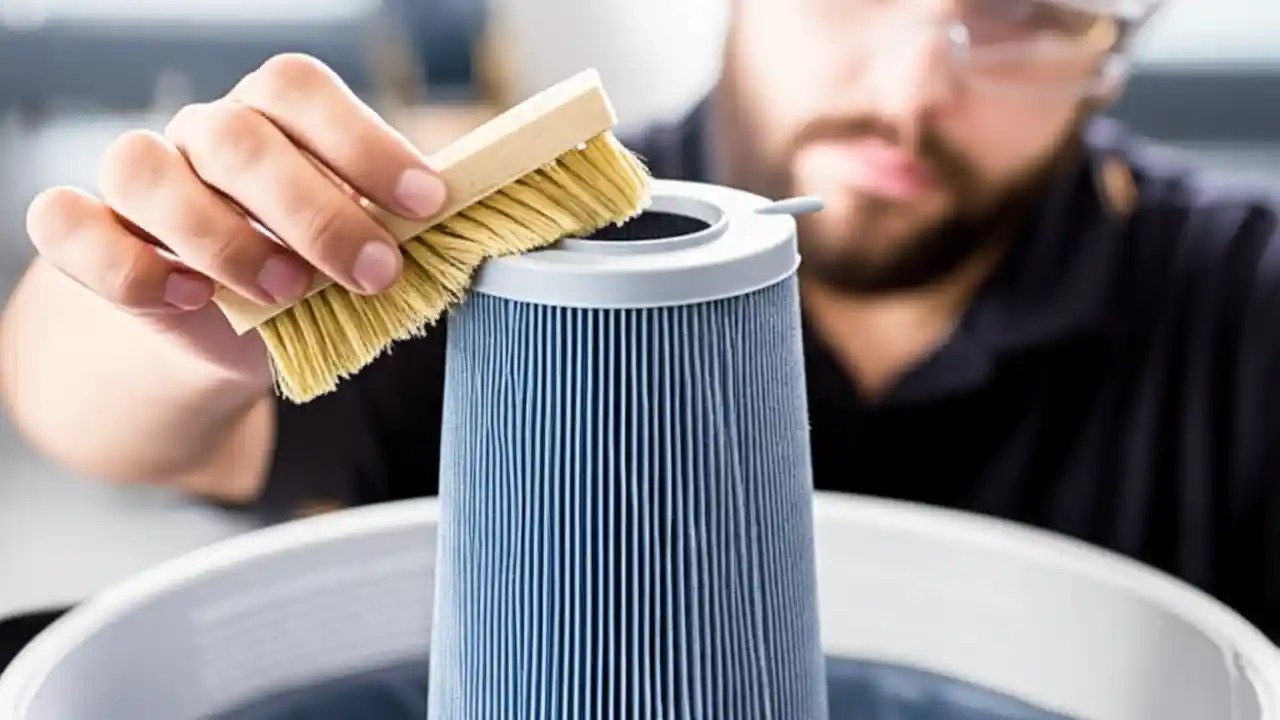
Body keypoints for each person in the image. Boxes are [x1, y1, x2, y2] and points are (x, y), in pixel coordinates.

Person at [2, 0, 1277, 659]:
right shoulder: (515, 256)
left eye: (1020, 15)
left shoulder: (1242, 301)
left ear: (1106, 45)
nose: (908, 92)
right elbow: (82, 406)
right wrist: (173, 283)